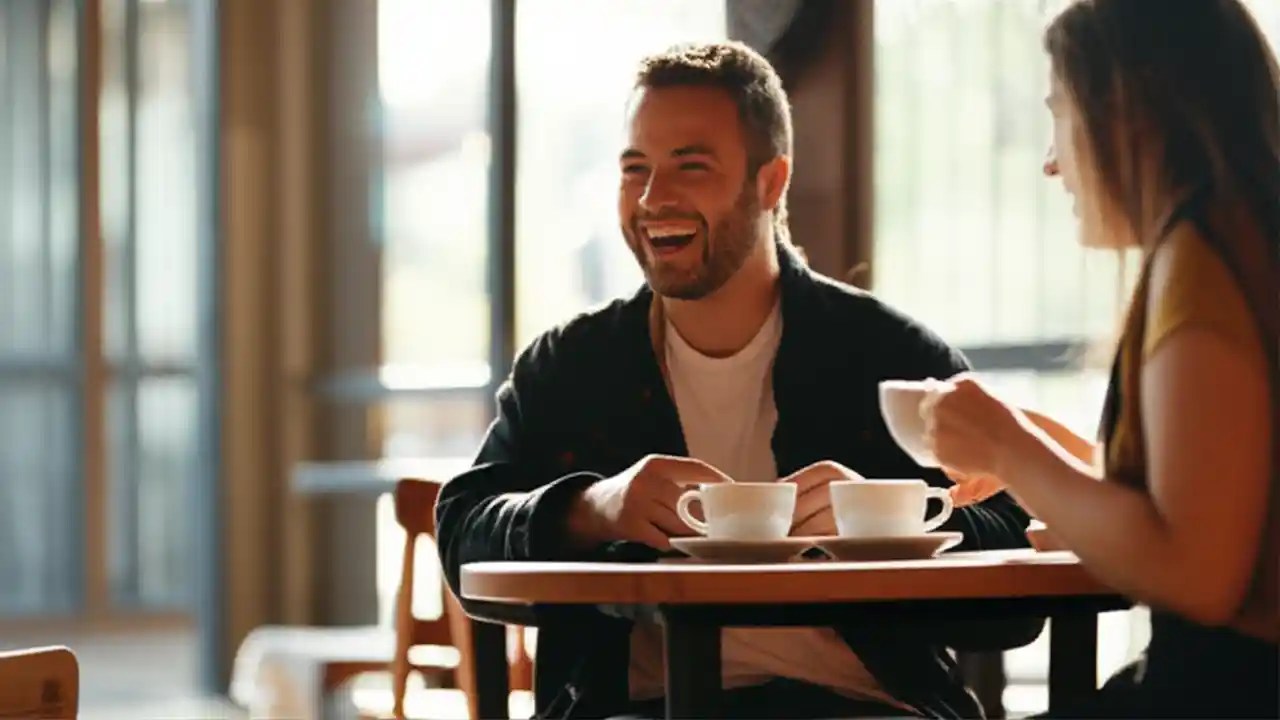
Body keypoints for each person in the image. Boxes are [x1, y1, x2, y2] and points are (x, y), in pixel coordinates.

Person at [435, 41, 1041, 719]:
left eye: (689, 167)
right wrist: (592, 509)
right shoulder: (571, 365)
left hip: (864, 709)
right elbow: (463, 534)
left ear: (770, 182)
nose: (652, 198)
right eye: (635, 169)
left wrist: (880, 521)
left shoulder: (887, 354)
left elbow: (1016, 564)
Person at [924, 1, 1279, 717]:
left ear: (1130, 109)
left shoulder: (1204, 256)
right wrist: (1040, 454)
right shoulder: (1246, 232)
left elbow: (1197, 571)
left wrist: (1009, 446)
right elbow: (1213, 498)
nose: (1052, 162)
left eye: (1061, 112)